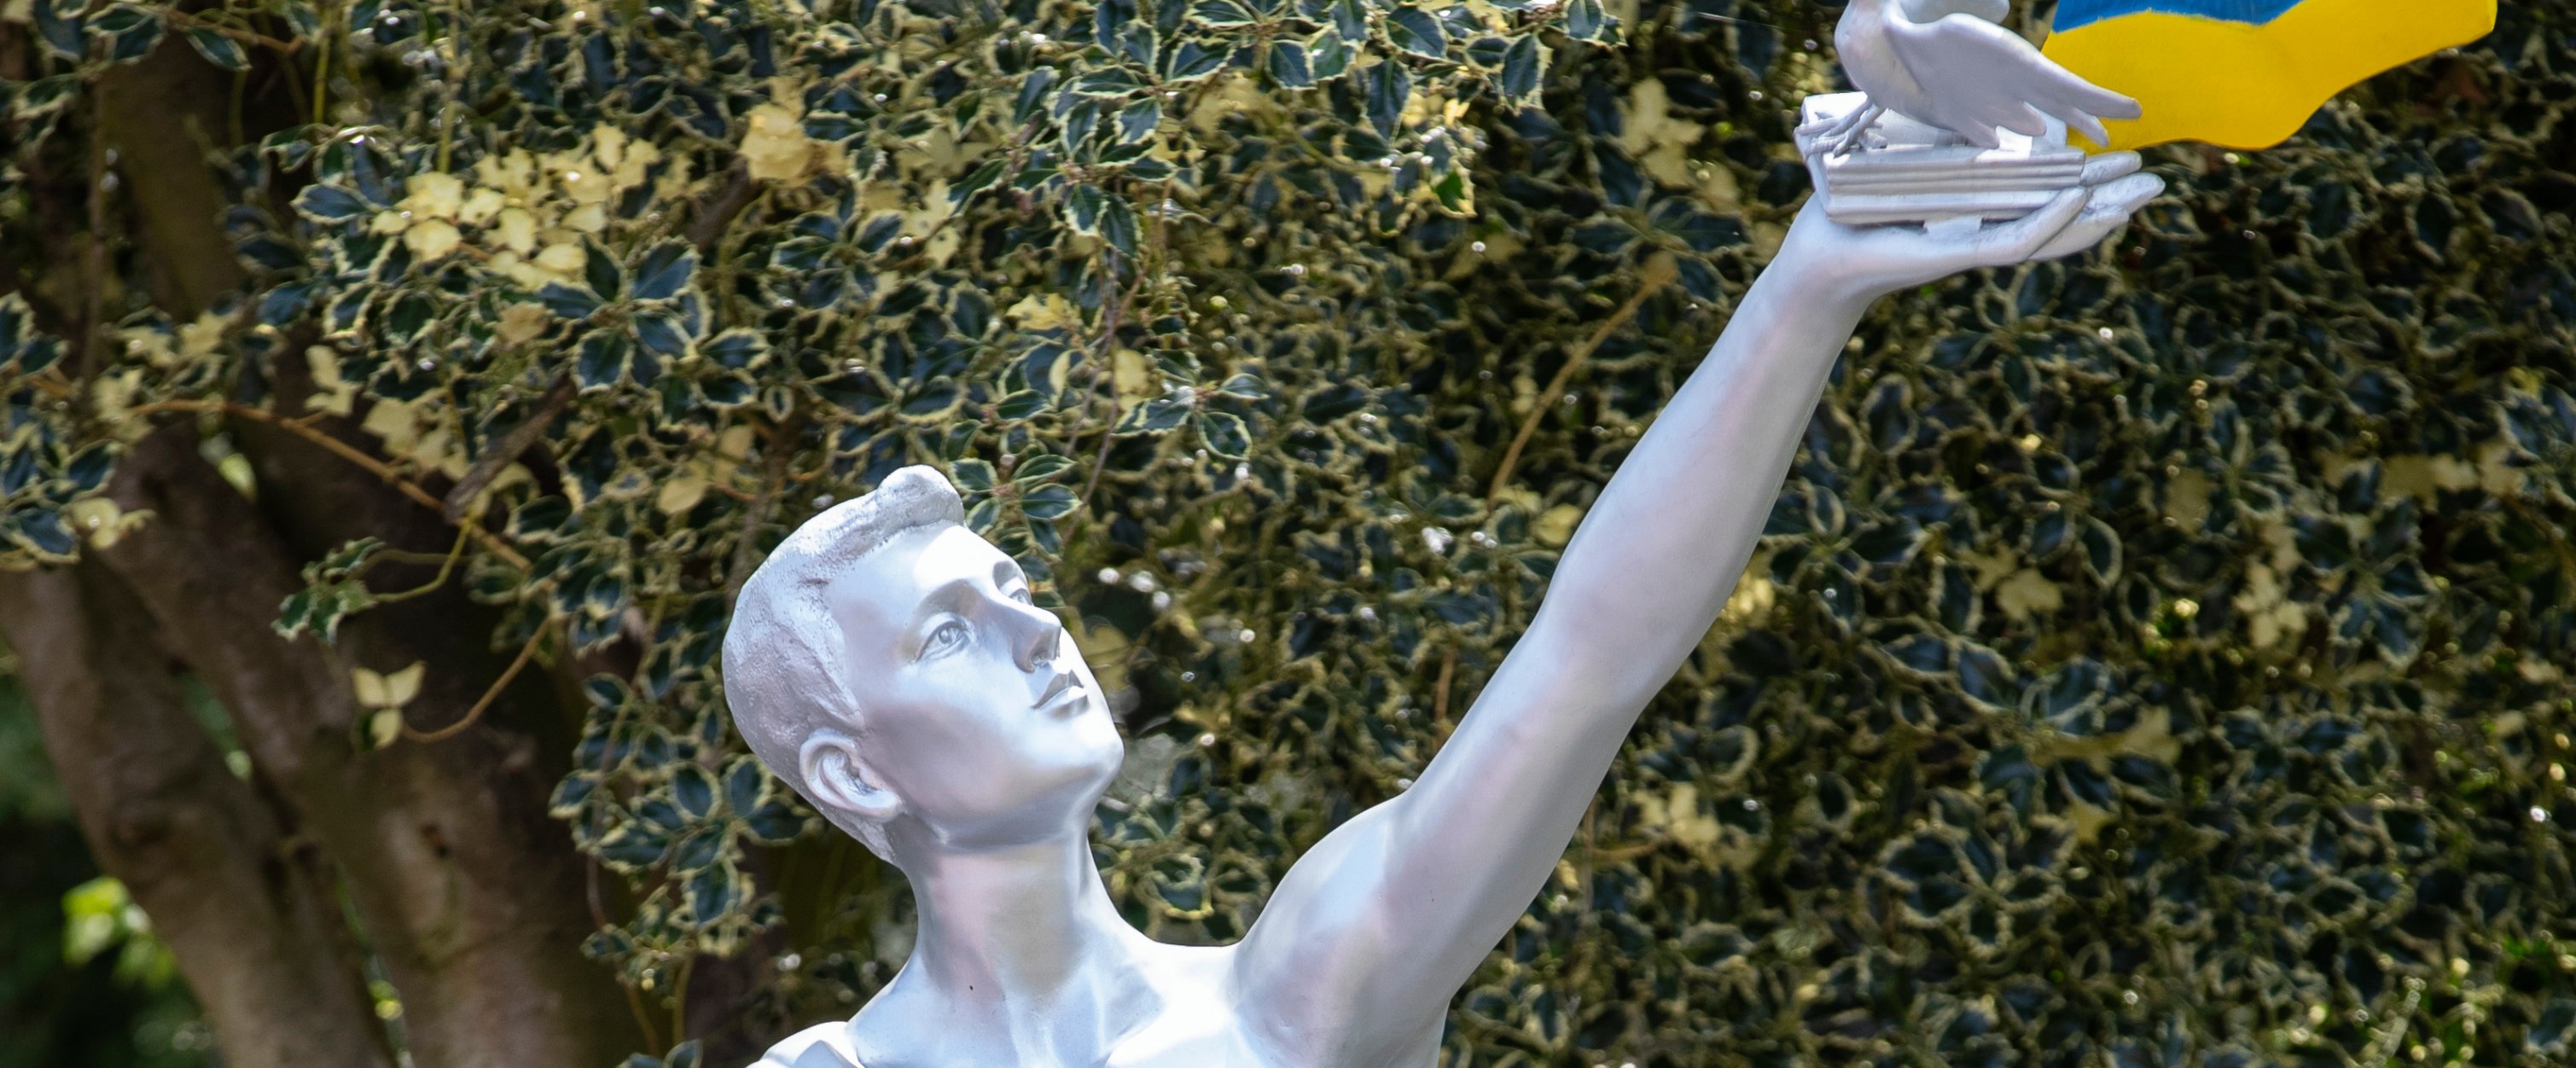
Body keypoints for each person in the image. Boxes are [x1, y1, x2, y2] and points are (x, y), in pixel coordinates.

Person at [724, 161, 2162, 1068]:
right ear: (853, 772)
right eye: (952, 634)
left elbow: (1587, 662)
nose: (1043, 633)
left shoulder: (1294, 999)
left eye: (1019, 591)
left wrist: (1806, 285)